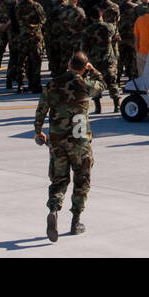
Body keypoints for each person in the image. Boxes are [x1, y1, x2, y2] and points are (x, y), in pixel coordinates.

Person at [35, 52, 106, 242]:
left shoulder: (52, 84)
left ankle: (54, 209)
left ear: (68, 64)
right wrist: (92, 71)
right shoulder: (85, 84)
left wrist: (38, 130)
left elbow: (42, 108)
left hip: (58, 139)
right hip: (80, 139)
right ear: (84, 67)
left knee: (59, 179)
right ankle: (76, 221)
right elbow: (103, 85)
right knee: (82, 179)